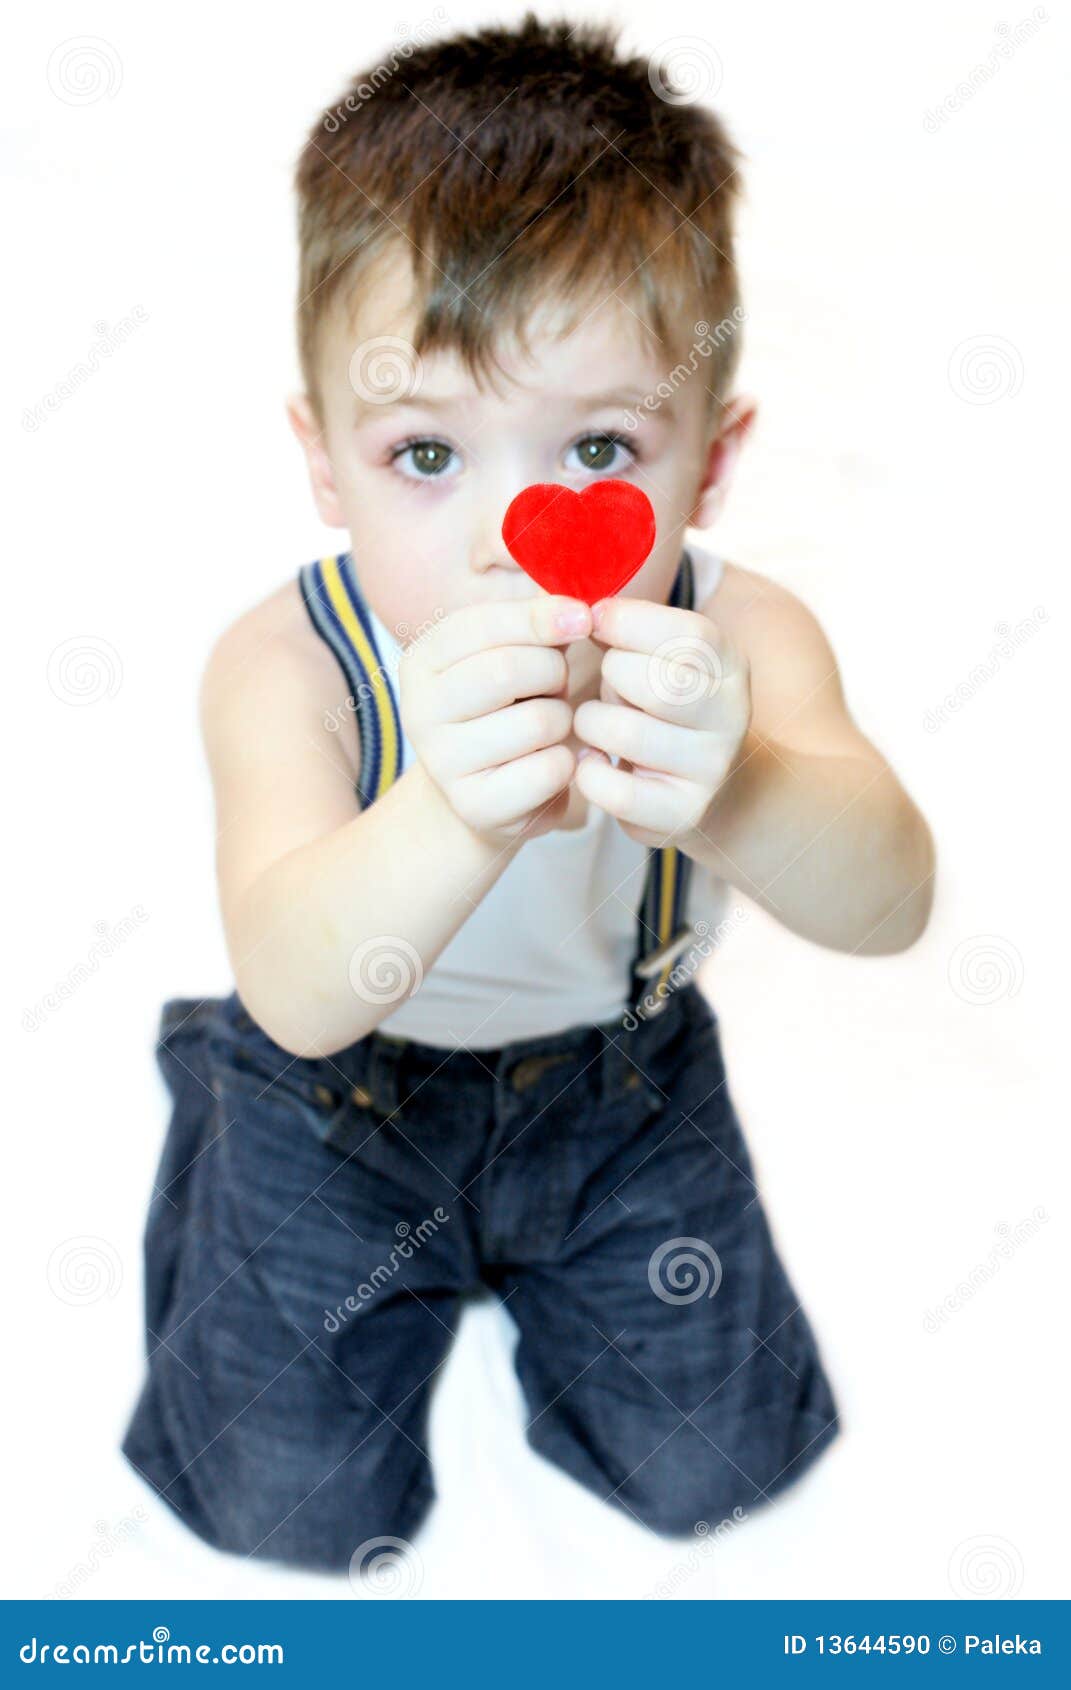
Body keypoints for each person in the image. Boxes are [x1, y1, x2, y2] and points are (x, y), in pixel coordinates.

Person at [122, 12, 935, 1575]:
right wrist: (451, 808)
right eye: (427, 452)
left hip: (619, 1093)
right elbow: (296, 983)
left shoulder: (739, 632)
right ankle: (209, 1131)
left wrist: (745, 784)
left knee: (718, 1470)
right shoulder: (288, 661)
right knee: (280, 1509)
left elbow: (892, 901)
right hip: (335, 1104)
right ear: (323, 461)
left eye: (601, 449)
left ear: (711, 460)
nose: (514, 531)